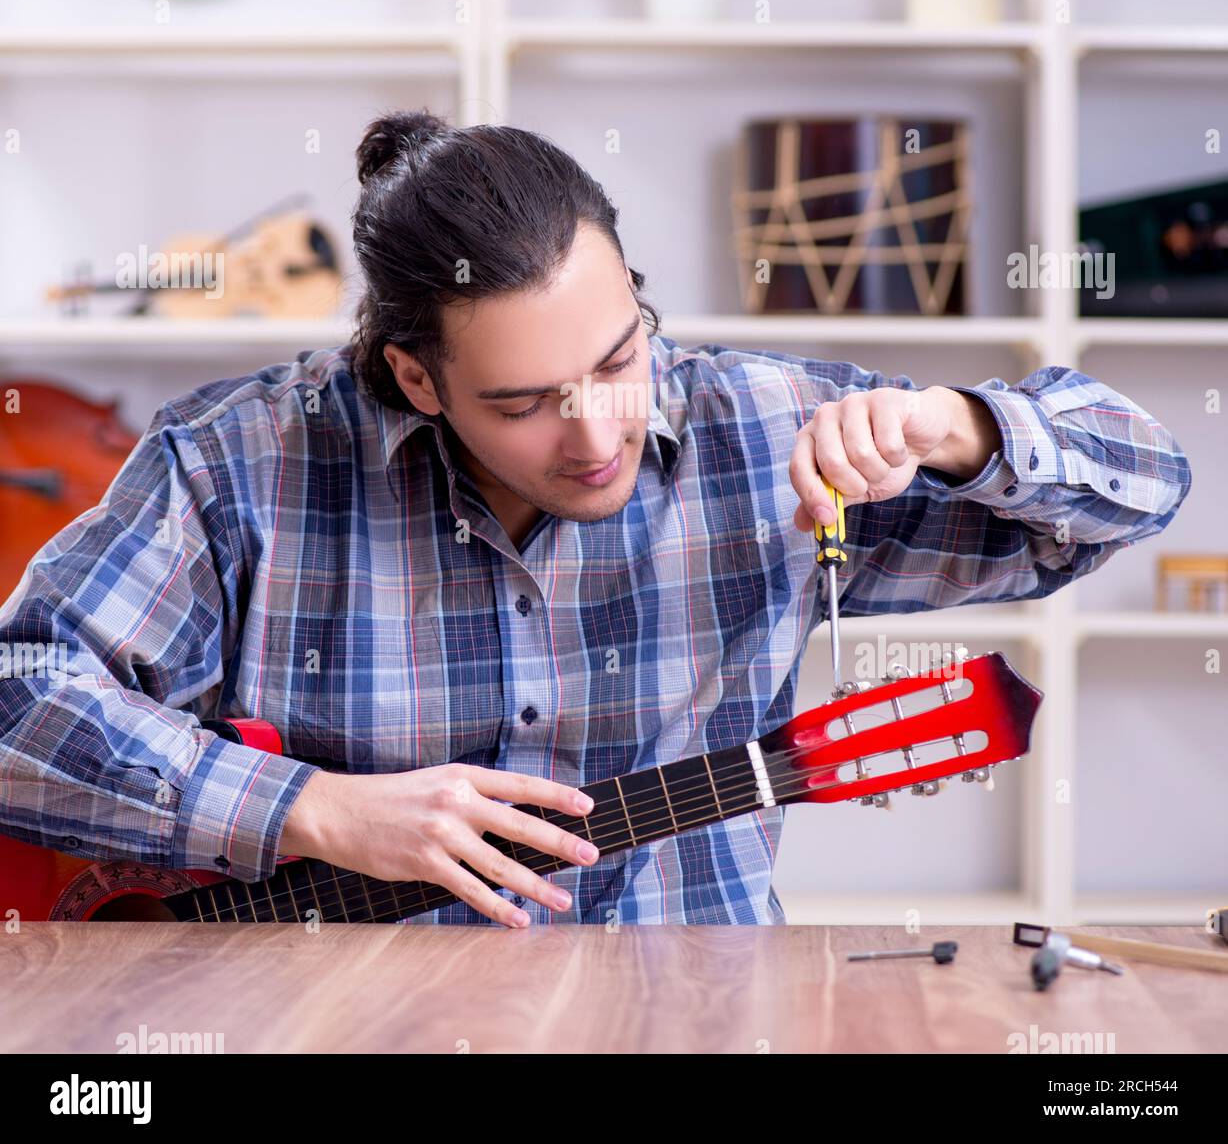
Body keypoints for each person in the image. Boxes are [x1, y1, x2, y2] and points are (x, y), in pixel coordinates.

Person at [0, 109, 1192, 927]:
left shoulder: (764, 430)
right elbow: (21, 702)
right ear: (416, 375)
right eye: (522, 403)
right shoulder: (241, 461)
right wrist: (315, 809)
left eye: (621, 356)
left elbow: (1140, 482)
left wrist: (961, 431)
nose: (597, 431)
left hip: (690, 1020)